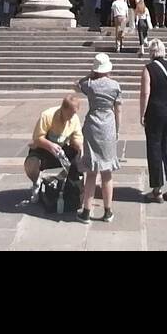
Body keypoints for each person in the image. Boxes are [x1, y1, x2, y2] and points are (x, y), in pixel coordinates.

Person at [76, 53, 121, 223]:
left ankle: (86, 211)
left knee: (91, 171)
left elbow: (77, 84)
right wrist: (118, 129)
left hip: (92, 125)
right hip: (108, 126)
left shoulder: (90, 85)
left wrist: (91, 74)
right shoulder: (115, 86)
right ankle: (108, 211)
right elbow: (118, 109)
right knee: (107, 172)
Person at [139, 38, 167, 204]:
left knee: (154, 148)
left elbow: (145, 93)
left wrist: (142, 114)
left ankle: (156, 189)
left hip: (155, 112)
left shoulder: (148, 68)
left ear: (151, 52)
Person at [23, 93, 85, 199]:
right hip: (43, 148)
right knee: (31, 163)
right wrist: (50, 145)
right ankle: (36, 182)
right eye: (69, 114)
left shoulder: (74, 119)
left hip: (62, 149)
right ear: (63, 109)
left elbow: (77, 139)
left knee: (81, 158)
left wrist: (80, 148)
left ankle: (68, 184)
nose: (71, 117)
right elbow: (37, 138)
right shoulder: (47, 115)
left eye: (74, 114)